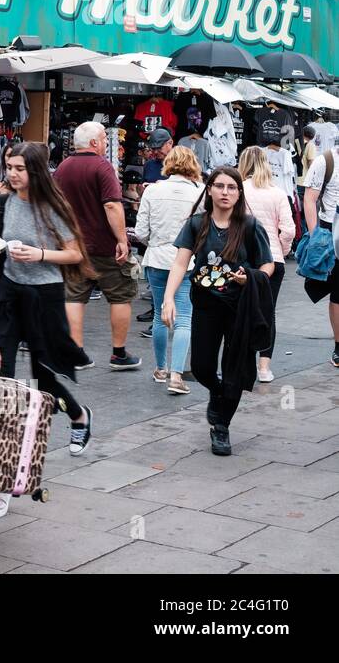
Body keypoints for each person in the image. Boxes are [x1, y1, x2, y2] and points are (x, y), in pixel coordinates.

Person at [0, 142, 93, 518]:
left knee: (44, 378)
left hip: (45, 294)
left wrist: (41, 254)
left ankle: (78, 414)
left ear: (37, 171)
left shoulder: (52, 206)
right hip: (10, 292)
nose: (13, 174)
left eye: (20, 168)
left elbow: (76, 253)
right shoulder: (4, 200)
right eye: (10, 166)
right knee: (2, 377)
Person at [163, 167, 274, 456]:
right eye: (220, 186)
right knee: (201, 367)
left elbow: (268, 265)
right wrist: (168, 299)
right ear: (209, 189)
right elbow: (179, 263)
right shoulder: (196, 224)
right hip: (206, 304)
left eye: (232, 187)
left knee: (235, 368)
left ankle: (221, 426)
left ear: (239, 193)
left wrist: (250, 277)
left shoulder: (250, 226)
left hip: (241, 307)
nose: (226, 192)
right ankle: (219, 390)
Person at [54, 122, 141, 370]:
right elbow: (112, 206)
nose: (106, 142)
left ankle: (76, 353)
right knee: (119, 297)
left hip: (74, 246)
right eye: (104, 138)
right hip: (105, 247)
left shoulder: (63, 168)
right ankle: (119, 353)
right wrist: (122, 239)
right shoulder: (103, 168)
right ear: (94, 143)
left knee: (74, 298)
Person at [135, 145, 203, 395]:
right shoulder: (200, 192)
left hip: (157, 258)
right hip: (186, 260)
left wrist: (154, 241)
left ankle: (161, 368)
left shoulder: (153, 190)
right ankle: (176, 374)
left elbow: (141, 232)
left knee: (160, 315)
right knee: (184, 317)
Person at [240, 146, 295, 383]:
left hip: (244, 259)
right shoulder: (278, 192)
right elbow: (289, 229)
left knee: (241, 311)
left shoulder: (238, 189)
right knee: (267, 311)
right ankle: (264, 367)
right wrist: (281, 251)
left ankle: (243, 364)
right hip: (273, 258)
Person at [302, 132, 339, 370]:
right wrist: (316, 236)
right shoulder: (326, 161)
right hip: (332, 234)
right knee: (338, 294)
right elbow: (309, 199)